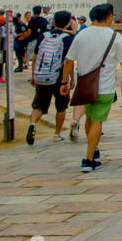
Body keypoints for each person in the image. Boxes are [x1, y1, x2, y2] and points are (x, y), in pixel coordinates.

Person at [60, 2, 122, 173]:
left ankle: (93, 149)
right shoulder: (115, 37)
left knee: (90, 119)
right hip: (105, 87)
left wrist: (64, 82)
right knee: (97, 121)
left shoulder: (81, 35)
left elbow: (69, 60)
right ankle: (89, 159)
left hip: (85, 85)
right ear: (109, 17)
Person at [26, 10, 76, 144]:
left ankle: (32, 124)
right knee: (61, 107)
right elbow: (68, 62)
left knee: (38, 106)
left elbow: (36, 57)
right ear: (68, 23)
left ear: (53, 22)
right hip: (59, 77)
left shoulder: (43, 36)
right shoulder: (67, 39)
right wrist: (70, 80)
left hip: (42, 75)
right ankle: (57, 133)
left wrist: (33, 75)